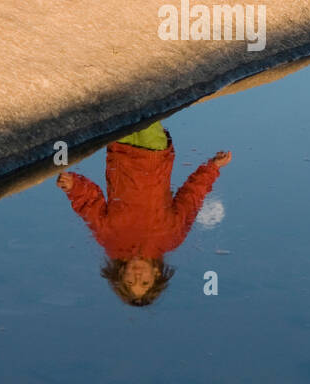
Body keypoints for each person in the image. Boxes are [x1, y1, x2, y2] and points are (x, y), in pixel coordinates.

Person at [57, 124, 231, 304]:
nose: (137, 275)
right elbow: (192, 196)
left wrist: (73, 186)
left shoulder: (111, 241)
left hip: (119, 152)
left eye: (131, 281)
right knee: (145, 116)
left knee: (123, 114)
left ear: (121, 274)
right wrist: (212, 167)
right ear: (157, 274)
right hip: (154, 155)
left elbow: (90, 205)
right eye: (145, 281)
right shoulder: (171, 238)